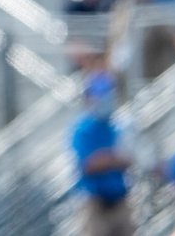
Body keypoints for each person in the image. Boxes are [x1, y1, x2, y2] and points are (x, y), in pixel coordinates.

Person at [70, 72, 134, 236]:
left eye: (108, 94)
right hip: (95, 203)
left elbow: (131, 158)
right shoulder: (82, 129)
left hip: (119, 200)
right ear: (90, 98)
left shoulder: (115, 124)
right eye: (101, 95)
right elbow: (89, 164)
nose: (106, 99)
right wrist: (114, 159)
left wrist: (111, 159)